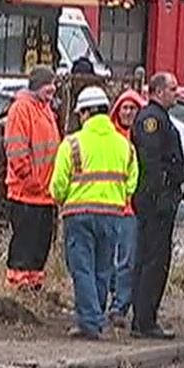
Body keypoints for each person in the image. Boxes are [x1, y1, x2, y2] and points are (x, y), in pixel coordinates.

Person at [50, 86, 138, 340]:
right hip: (112, 214)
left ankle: (90, 322)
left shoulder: (72, 143)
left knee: (82, 268)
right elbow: (133, 180)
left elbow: (58, 183)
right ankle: (95, 314)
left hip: (78, 213)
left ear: (86, 113)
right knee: (103, 268)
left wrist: (61, 198)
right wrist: (119, 197)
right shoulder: (124, 145)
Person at [130, 71, 184, 340]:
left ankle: (144, 317)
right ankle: (144, 320)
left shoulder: (162, 119)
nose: (177, 93)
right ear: (158, 91)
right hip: (155, 202)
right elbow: (151, 162)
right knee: (153, 260)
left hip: (160, 200)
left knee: (154, 259)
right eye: (173, 89)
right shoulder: (151, 119)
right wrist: (161, 195)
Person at [1, 65, 62, 292]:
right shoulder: (22, 109)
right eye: (49, 85)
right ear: (37, 86)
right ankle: (18, 284)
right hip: (26, 192)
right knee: (24, 242)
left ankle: (34, 282)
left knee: (39, 243)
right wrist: (30, 179)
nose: (52, 90)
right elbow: (16, 149)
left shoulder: (44, 108)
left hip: (44, 193)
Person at [106, 88, 145, 327]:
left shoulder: (143, 137)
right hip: (110, 206)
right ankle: (113, 300)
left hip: (130, 209)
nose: (129, 112)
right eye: (125, 108)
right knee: (108, 259)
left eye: (133, 108)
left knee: (127, 260)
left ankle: (120, 305)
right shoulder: (111, 138)